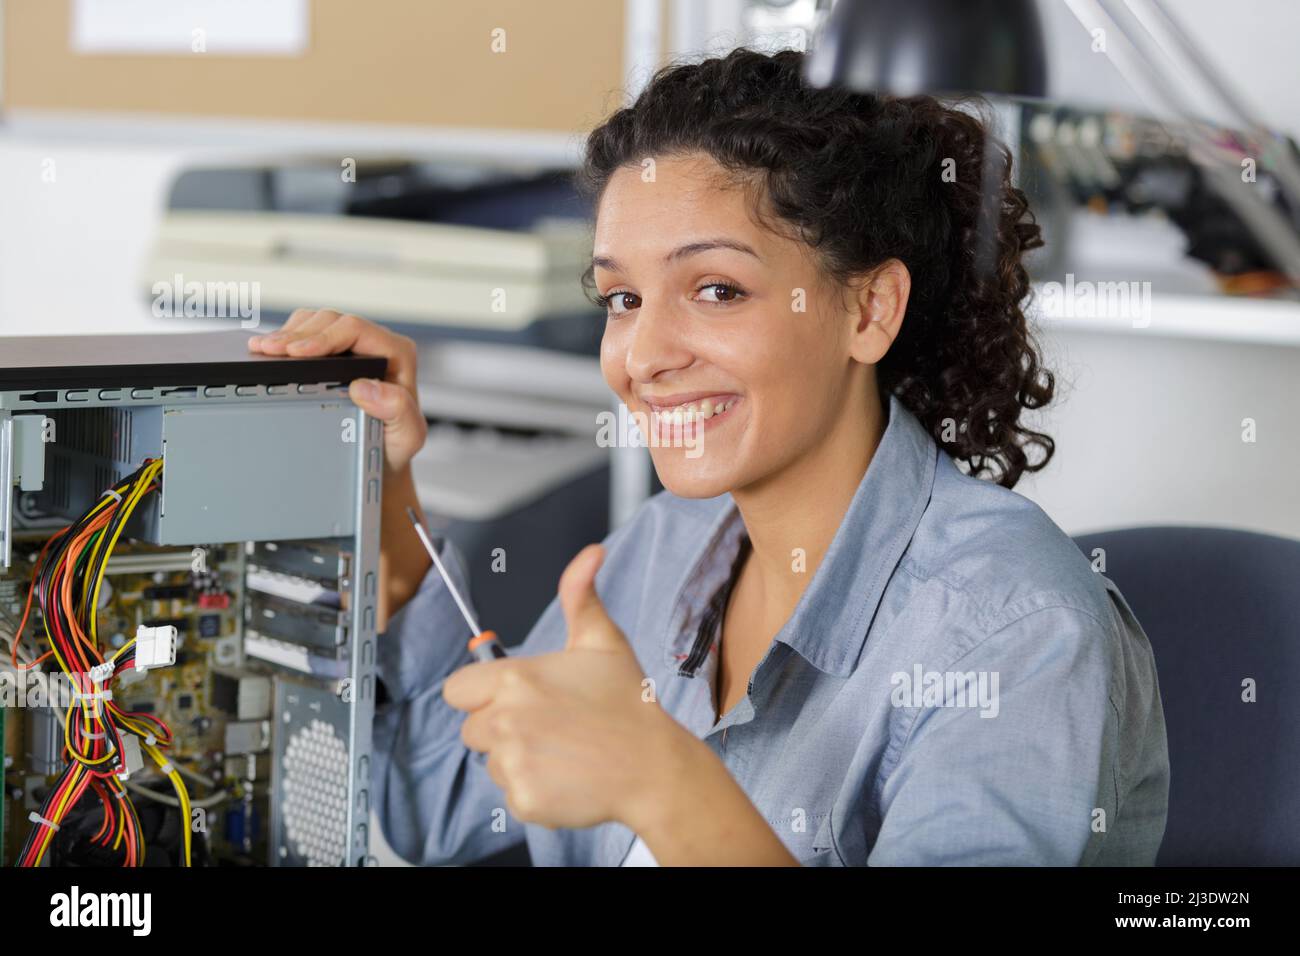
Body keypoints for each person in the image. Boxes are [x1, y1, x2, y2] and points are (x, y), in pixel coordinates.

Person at [249, 48, 1169, 866]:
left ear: (867, 310)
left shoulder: (1018, 632)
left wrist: (660, 780)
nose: (644, 356)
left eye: (717, 289)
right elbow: (436, 805)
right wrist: (384, 488)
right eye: (621, 300)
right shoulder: (669, 546)